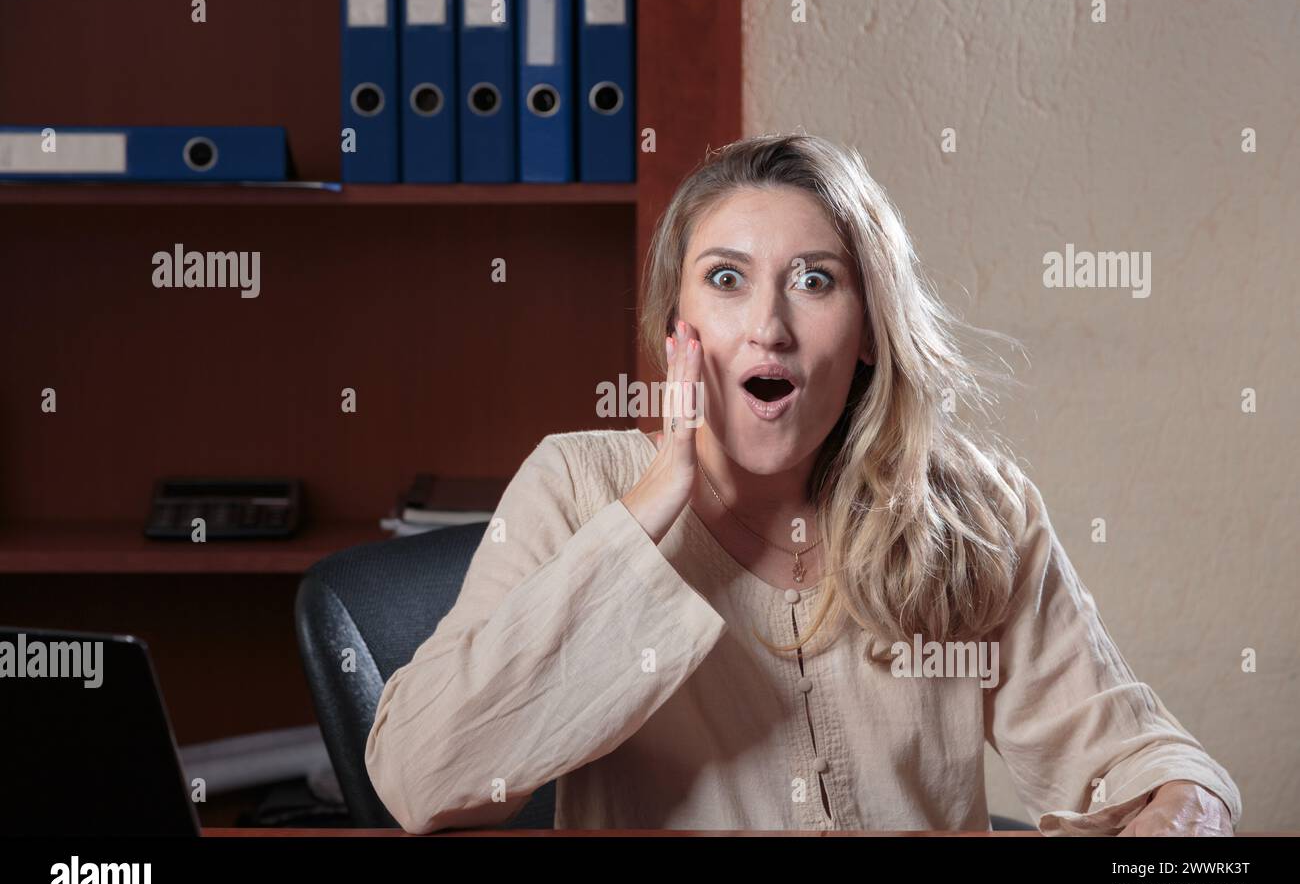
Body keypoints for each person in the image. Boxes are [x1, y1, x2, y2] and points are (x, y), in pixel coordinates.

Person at [364, 133, 1240, 835]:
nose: (769, 327)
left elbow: (1135, 759)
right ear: (679, 326)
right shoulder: (575, 484)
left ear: (868, 330)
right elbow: (420, 779)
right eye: (726, 280)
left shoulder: (975, 509)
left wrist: (1185, 812)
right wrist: (649, 517)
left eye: (815, 281)